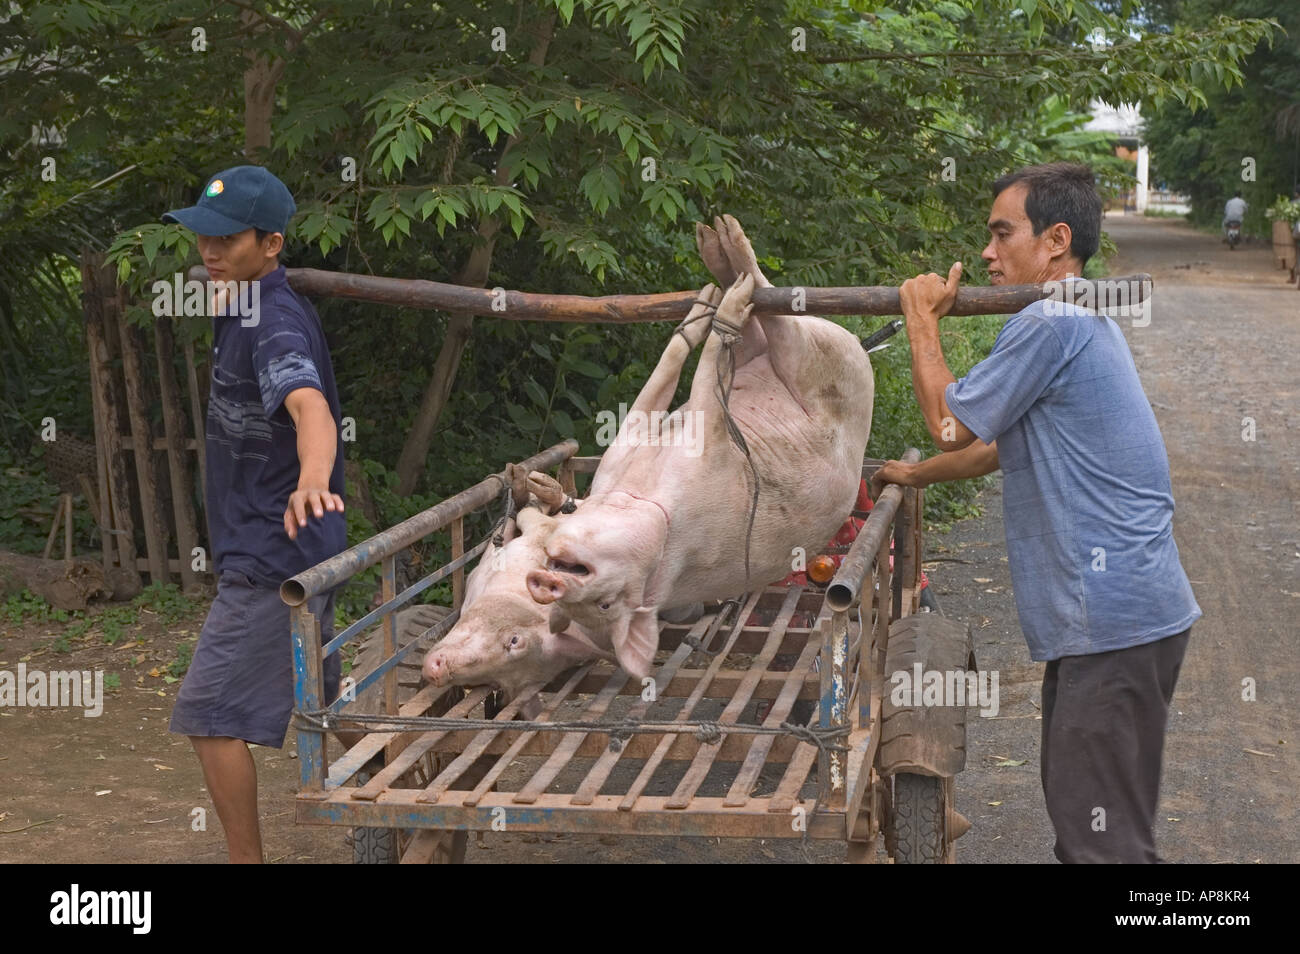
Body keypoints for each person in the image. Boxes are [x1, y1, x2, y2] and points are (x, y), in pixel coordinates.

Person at [874, 162, 1201, 863]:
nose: (988, 253)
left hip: (1111, 621)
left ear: (1056, 239)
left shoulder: (1051, 321)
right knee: (1093, 830)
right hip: (1123, 622)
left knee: (1101, 847)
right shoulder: (1078, 317)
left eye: (1001, 234)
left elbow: (951, 426)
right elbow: (988, 448)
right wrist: (914, 475)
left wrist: (920, 320)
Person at [163, 165, 348, 863]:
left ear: (271, 244)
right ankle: (410, 778)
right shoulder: (241, 297)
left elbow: (310, 406)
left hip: (277, 552)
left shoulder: (272, 320)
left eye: (227, 240)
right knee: (322, 701)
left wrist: (311, 477)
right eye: (202, 238)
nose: (208, 253)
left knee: (210, 715)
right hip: (303, 544)